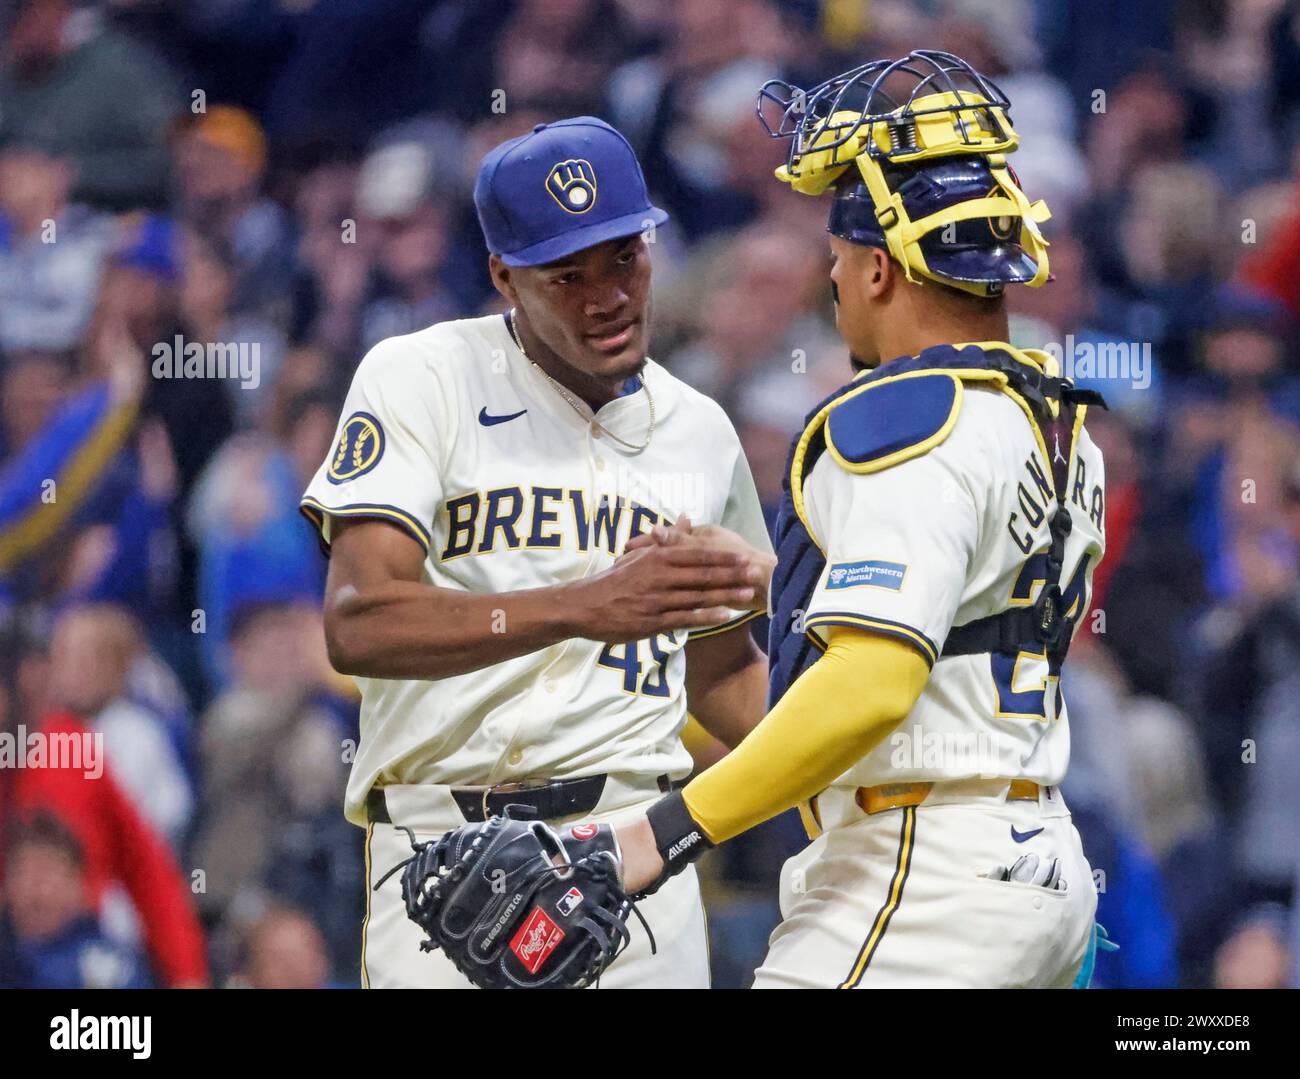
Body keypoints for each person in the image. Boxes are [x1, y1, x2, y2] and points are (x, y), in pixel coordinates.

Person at [601, 50, 1110, 987]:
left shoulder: (903, 414)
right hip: (1040, 860)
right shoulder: (1057, 418)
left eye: (836, 261)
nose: (831, 287)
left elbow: (876, 679)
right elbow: (965, 621)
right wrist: (765, 579)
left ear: (879, 268)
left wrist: (655, 832)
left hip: (922, 871)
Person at [300, 116, 773, 988]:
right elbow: (358, 622)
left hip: (636, 862)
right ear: (502, 278)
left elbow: (723, 672)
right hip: (443, 861)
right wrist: (585, 606)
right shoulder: (422, 377)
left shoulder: (701, 431)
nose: (607, 297)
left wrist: (867, 761)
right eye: (567, 275)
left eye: (624, 258)